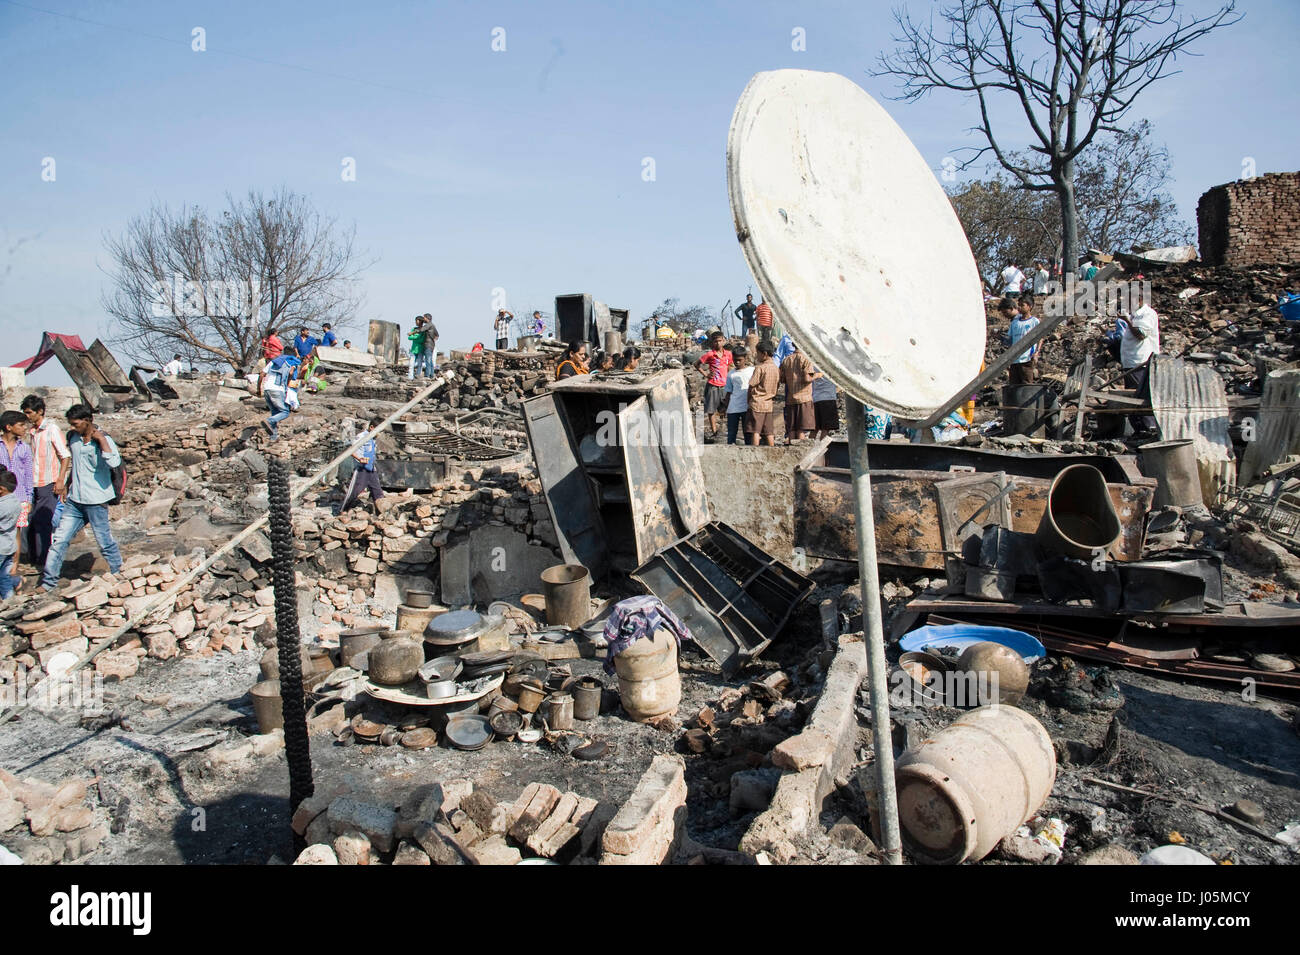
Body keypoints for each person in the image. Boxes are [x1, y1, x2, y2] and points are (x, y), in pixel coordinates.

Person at [40, 405, 123, 591]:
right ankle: (48, 582)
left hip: (96, 500)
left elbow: (114, 462)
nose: (73, 428)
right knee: (59, 541)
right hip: (75, 500)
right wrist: (67, 485)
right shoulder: (73, 438)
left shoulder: (103, 438)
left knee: (104, 541)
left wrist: (101, 440)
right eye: (71, 424)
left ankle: (119, 573)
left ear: (87, 421)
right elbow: (77, 466)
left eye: (76, 424)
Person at [20, 395, 70, 571]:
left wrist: (60, 480)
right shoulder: (33, 431)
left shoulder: (51, 429)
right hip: (33, 482)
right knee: (31, 521)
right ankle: (33, 559)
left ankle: (43, 562)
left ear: (40, 411)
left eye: (29, 412)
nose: (27, 416)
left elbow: (65, 456)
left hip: (48, 482)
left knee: (43, 522)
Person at [1120, 292, 1161, 436]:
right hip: (1131, 362)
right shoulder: (1136, 315)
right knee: (1133, 397)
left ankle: (1148, 428)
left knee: (1140, 397)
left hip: (1140, 362)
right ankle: (1138, 429)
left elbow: (1141, 334)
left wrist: (1127, 321)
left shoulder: (1147, 314)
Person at [0, 411, 33, 545]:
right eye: (21, 425)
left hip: (20, 497)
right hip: (1, 497)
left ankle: (15, 559)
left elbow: (28, 475)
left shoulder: (24, 448)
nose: (24, 428)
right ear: (9, 427)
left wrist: (29, 499)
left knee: (17, 535)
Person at [339, 418, 385, 513]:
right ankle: (344, 510)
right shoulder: (362, 436)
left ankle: (381, 511)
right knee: (355, 490)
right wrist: (360, 459)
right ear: (372, 427)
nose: (380, 433)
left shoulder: (373, 439)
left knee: (377, 491)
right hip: (361, 468)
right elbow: (351, 450)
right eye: (379, 430)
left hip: (371, 469)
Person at [779, 342, 820, 443]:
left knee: (792, 429)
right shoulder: (806, 359)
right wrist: (818, 375)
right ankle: (801, 450)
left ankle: (792, 450)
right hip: (804, 399)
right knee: (801, 429)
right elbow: (807, 378)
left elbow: (782, 379)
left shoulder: (786, 360)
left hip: (790, 399)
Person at [697, 332, 733, 437]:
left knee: (725, 408)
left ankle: (723, 428)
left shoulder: (728, 354)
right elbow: (696, 364)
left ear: (723, 341)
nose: (718, 343)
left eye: (720, 341)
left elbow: (730, 366)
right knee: (711, 410)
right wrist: (706, 374)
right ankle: (714, 431)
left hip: (725, 385)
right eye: (715, 341)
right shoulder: (710, 354)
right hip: (713, 385)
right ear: (712, 342)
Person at [745, 339, 780, 446]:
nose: (757, 356)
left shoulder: (760, 368)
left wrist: (748, 400)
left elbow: (751, 385)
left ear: (764, 354)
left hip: (757, 403)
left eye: (758, 353)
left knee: (756, 431)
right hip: (768, 405)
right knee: (769, 432)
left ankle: (754, 450)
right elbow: (777, 385)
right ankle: (772, 451)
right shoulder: (776, 369)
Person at [262, 353, 301, 441]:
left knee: (275, 413)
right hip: (278, 389)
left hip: (267, 389)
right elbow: (291, 373)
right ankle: (268, 421)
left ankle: (273, 437)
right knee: (285, 412)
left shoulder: (273, 362)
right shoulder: (291, 361)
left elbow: (262, 374)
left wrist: (258, 388)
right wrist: (288, 381)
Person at [722, 345, 754, 445]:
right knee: (731, 433)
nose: (737, 362)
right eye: (735, 360)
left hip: (747, 407)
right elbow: (728, 392)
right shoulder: (731, 374)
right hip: (733, 407)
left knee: (747, 433)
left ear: (745, 358)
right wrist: (725, 407)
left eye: (739, 360)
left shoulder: (752, 371)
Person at [1006, 295, 1040, 384]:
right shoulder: (1015, 322)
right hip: (1014, 359)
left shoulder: (1034, 321)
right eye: (1019, 305)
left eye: (1022, 305)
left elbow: (1040, 338)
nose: (1019, 307)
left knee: (1026, 384)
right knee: (1014, 385)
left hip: (1027, 358)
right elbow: (1010, 339)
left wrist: (1036, 352)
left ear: (1030, 306)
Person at [0, 470, 23, 600]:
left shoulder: (2, 506)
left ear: (1, 489)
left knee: (3, 576)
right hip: (9, 546)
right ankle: (9, 600)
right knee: (4, 575)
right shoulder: (16, 501)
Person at [811, 368, 839, 438]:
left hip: (815, 398)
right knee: (826, 428)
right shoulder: (829, 366)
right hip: (828, 398)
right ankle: (822, 444)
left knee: (815, 428)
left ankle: (810, 444)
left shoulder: (813, 365)